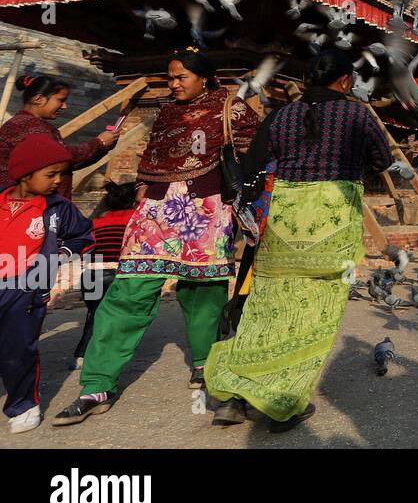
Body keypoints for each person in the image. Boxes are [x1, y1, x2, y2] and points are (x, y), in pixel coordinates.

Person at [53, 48, 259, 427]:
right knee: (128, 290)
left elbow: (255, 158)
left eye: (181, 77)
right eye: (171, 77)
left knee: (205, 291)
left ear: (204, 77)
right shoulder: (165, 111)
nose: (174, 84)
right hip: (156, 213)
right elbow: (152, 154)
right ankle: (97, 386)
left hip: (208, 211)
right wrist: (143, 188)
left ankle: (204, 363)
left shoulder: (234, 109)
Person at [204, 48, 392, 431]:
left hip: (283, 221)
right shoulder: (356, 113)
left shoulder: (280, 115)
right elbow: (382, 160)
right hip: (333, 221)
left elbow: (254, 169)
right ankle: (281, 403)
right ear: (343, 81)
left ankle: (233, 396)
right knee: (315, 317)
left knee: (264, 310)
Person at [0, 134, 92, 433]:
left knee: (18, 349)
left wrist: (62, 254)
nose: (57, 181)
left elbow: (83, 235)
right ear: (25, 174)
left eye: (61, 174)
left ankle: (23, 404)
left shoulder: (59, 208)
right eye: (50, 174)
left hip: (26, 288)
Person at [0, 74, 119, 199]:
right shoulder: (28, 125)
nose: (65, 106)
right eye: (61, 100)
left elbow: (67, 164)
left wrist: (104, 146)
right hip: (28, 204)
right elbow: (61, 157)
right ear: (38, 99)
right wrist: (100, 142)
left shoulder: (32, 124)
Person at [70, 180, 136, 369]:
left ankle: (80, 355)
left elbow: (84, 250)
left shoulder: (94, 224)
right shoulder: (134, 220)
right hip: (118, 274)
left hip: (91, 275)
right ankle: (106, 358)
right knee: (117, 316)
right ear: (132, 202)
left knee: (94, 314)